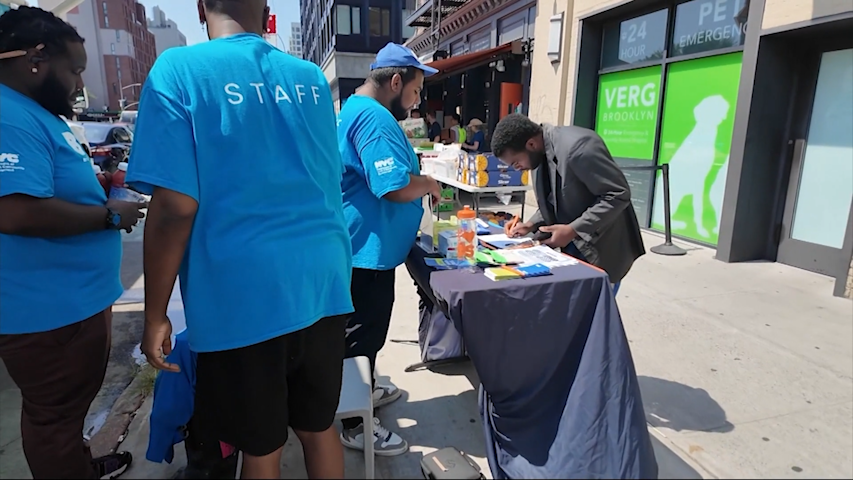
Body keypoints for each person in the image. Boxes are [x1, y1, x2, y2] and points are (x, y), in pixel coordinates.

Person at [128, 1, 354, 478]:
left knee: (261, 448)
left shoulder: (178, 69)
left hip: (242, 294)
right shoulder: (310, 77)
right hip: (324, 280)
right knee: (319, 427)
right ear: (268, 10)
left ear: (200, 7)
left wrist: (154, 316)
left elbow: (173, 209)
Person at [0, 6, 143, 479]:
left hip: (72, 304)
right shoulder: (8, 115)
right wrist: (108, 215)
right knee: (53, 419)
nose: (79, 85)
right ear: (35, 59)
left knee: (65, 415)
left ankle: (78, 465)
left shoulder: (34, 112)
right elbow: (15, 211)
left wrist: (103, 180)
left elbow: (50, 182)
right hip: (47, 314)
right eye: (75, 71)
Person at [337, 43, 441, 456]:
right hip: (366, 251)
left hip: (367, 247)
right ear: (395, 81)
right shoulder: (374, 119)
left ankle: (367, 386)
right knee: (362, 333)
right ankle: (355, 424)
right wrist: (429, 184)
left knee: (364, 330)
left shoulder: (357, 109)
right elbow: (392, 185)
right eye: (415, 91)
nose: (416, 102)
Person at [490, 113, 645, 292]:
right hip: (572, 250)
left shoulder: (579, 147)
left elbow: (618, 194)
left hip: (603, 249)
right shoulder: (536, 154)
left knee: (596, 315)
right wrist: (531, 225)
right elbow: (556, 198)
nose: (516, 168)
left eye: (515, 162)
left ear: (531, 144)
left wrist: (573, 230)